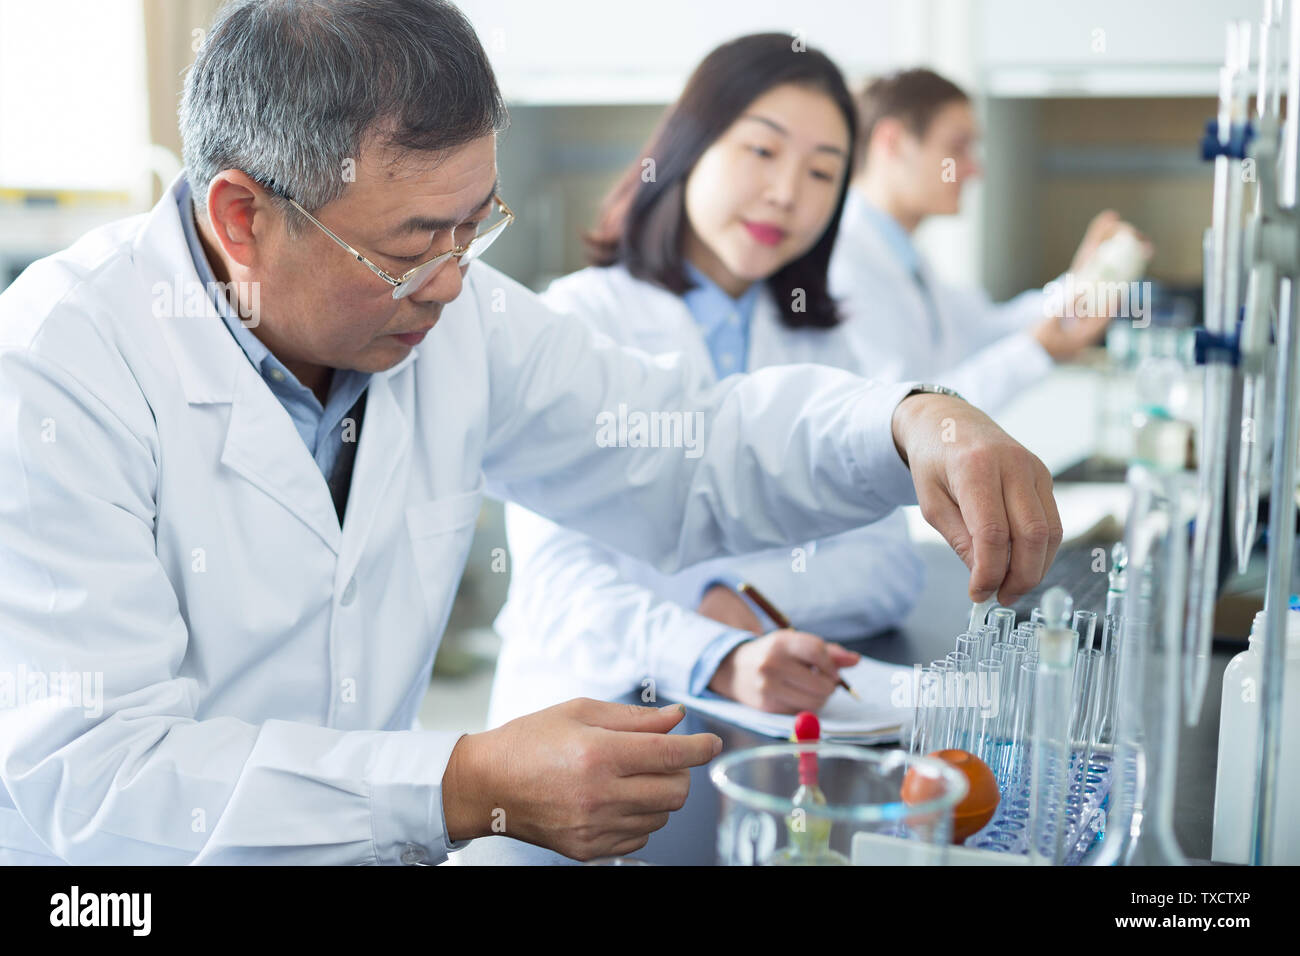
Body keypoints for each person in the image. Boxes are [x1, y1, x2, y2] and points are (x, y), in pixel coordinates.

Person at [0, 0, 1060, 866]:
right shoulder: (55, 367)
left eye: (477, 225)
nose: (456, 280)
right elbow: (96, 779)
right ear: (243, 217)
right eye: (413, 244)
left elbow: (687, 453)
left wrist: (907, 419)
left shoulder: (455, 313)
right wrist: (461, 783)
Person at [490, 34, 924, 728]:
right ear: (691, 145)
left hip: (766, 720)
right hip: (588, 719)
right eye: (762, 150)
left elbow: (889, 564)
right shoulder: (580, 316)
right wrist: (715, 649)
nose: (786, 194)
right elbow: (558, 582)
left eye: (822, 173)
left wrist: (739, 595)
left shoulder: (820, 337)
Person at [834, 68, 1150, 412]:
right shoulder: (845, 263)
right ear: (892, 142)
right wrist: (1038, 350)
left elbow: (985, 331)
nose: (975, 169)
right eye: (958, 147)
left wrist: (1082, 281)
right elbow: (907, 411)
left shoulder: (905, 257)